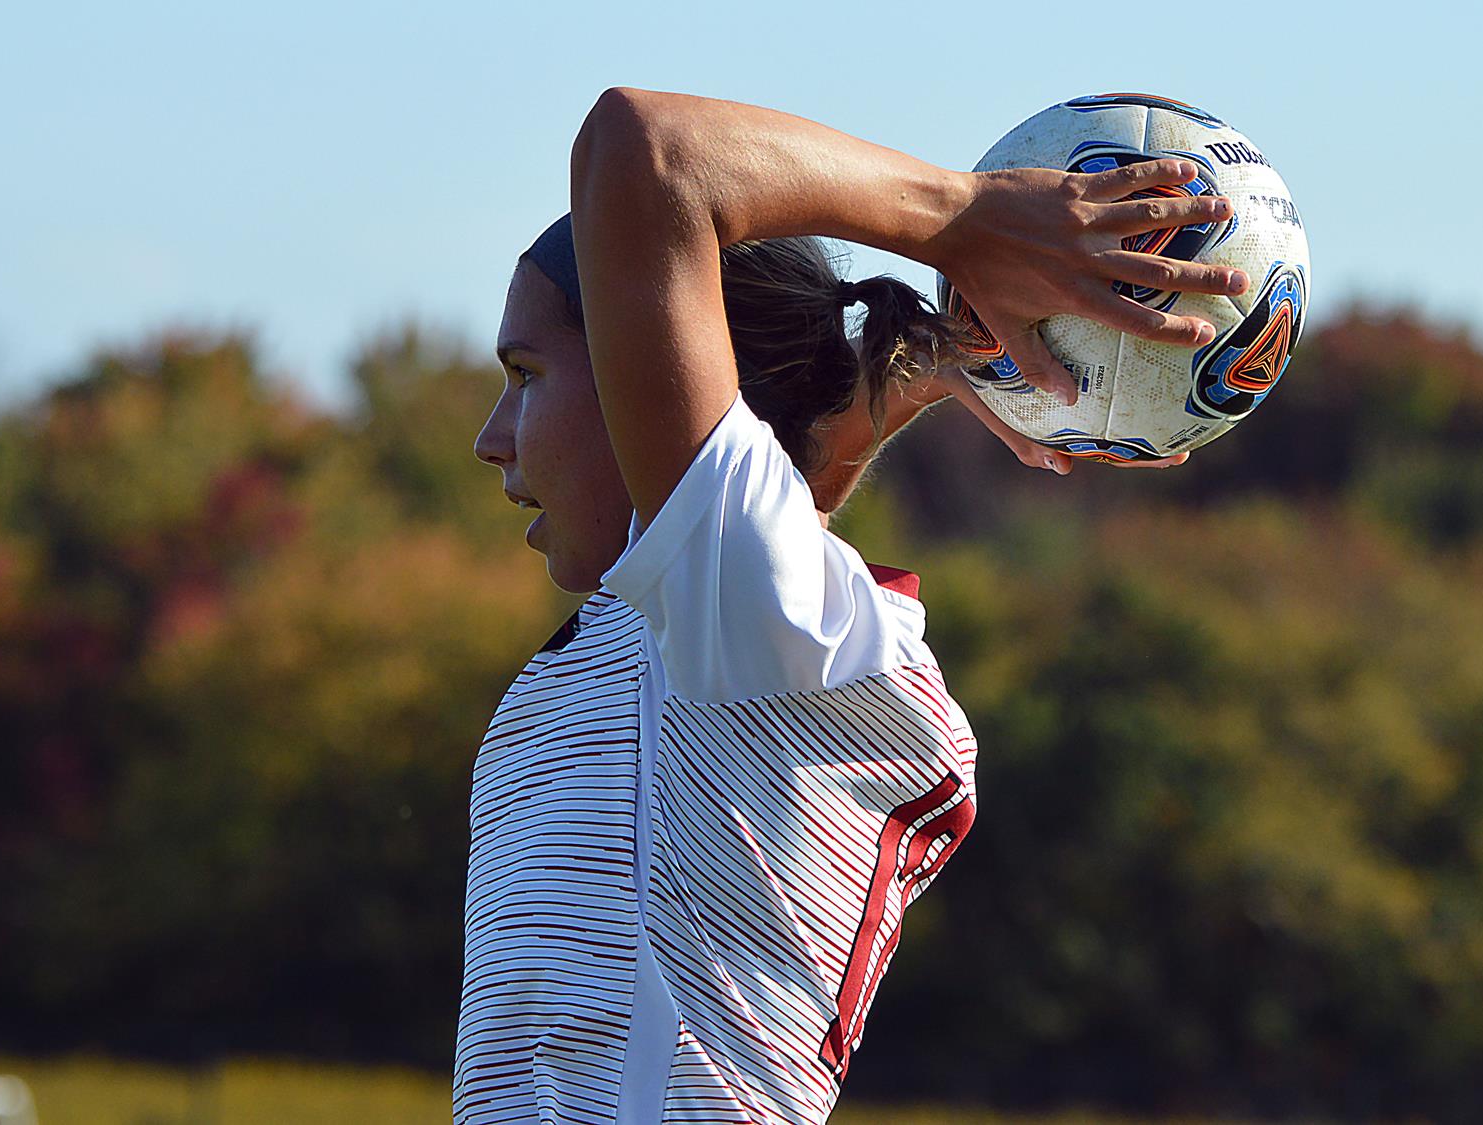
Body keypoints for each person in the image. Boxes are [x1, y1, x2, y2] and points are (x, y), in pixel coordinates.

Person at [456, 88, 1245, 1125]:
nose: (490, 435)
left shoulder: (765, 621)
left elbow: (646, 150)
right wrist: (928, 361)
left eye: (524, 375)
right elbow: (796, 459)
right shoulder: (705, 626)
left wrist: (960, 216)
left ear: (646, 365)